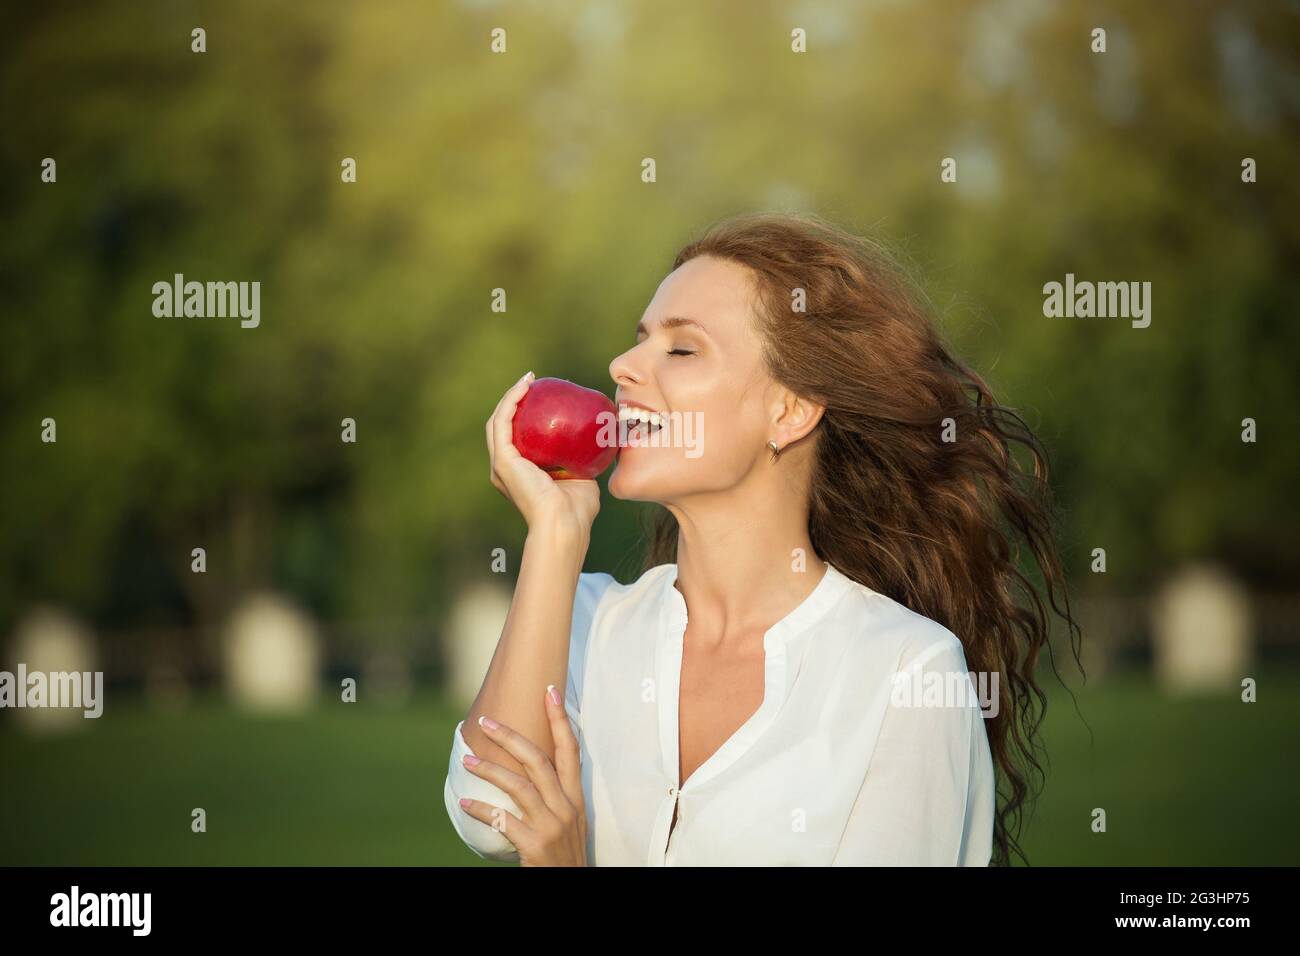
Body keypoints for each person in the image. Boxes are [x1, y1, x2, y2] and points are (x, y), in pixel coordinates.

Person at [443, 212, 1082, 866]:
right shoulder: (579, 619)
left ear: (791, 410)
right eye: (639, 340)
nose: (622, 365)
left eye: (682, 348)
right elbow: (491, 815)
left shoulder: (906, 671)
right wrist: (555, 534)